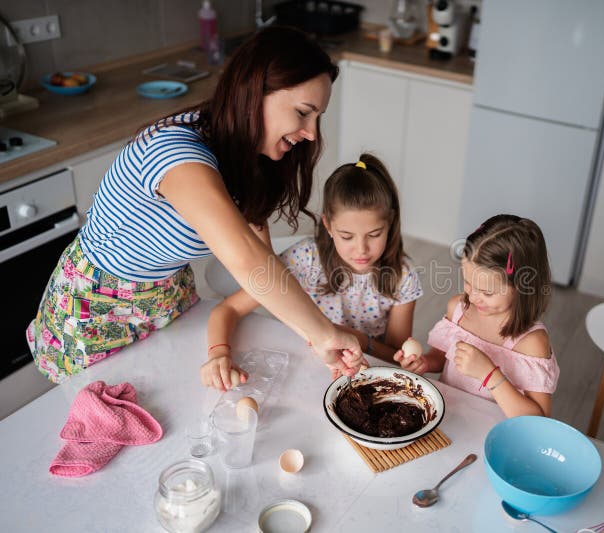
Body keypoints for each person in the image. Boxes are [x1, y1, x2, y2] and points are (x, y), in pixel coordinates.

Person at [26, 27, 363, 385]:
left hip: (166, 298)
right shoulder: (177, 154)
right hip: (93, 310)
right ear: (254, 94)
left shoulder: (246, 156)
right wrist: (323, 332)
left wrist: (314, 335)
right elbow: (247, 259)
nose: (311, 132)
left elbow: (262, 269)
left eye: (317, 117)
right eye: (303, 112)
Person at [204, 153, 423, 388]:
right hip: (301, 372)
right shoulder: (306, 259)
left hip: (360, 376)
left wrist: (360, 340)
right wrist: (218, 354)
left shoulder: (403, 276)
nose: (361, 249)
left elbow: (396, 360)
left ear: (390, 223)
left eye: (374, 234)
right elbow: (227, 310)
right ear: (328, 225)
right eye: (347, 236)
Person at [394, 214, 559, 417]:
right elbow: (440, 356)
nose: (473, 297)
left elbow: (539, 419)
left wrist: (489, 375)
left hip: (495, 433)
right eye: (468, 283)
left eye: (487, 292)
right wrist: (425, 363)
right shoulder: (458, 310)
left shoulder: (531, 343)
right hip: (449, 417)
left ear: (524, 287)